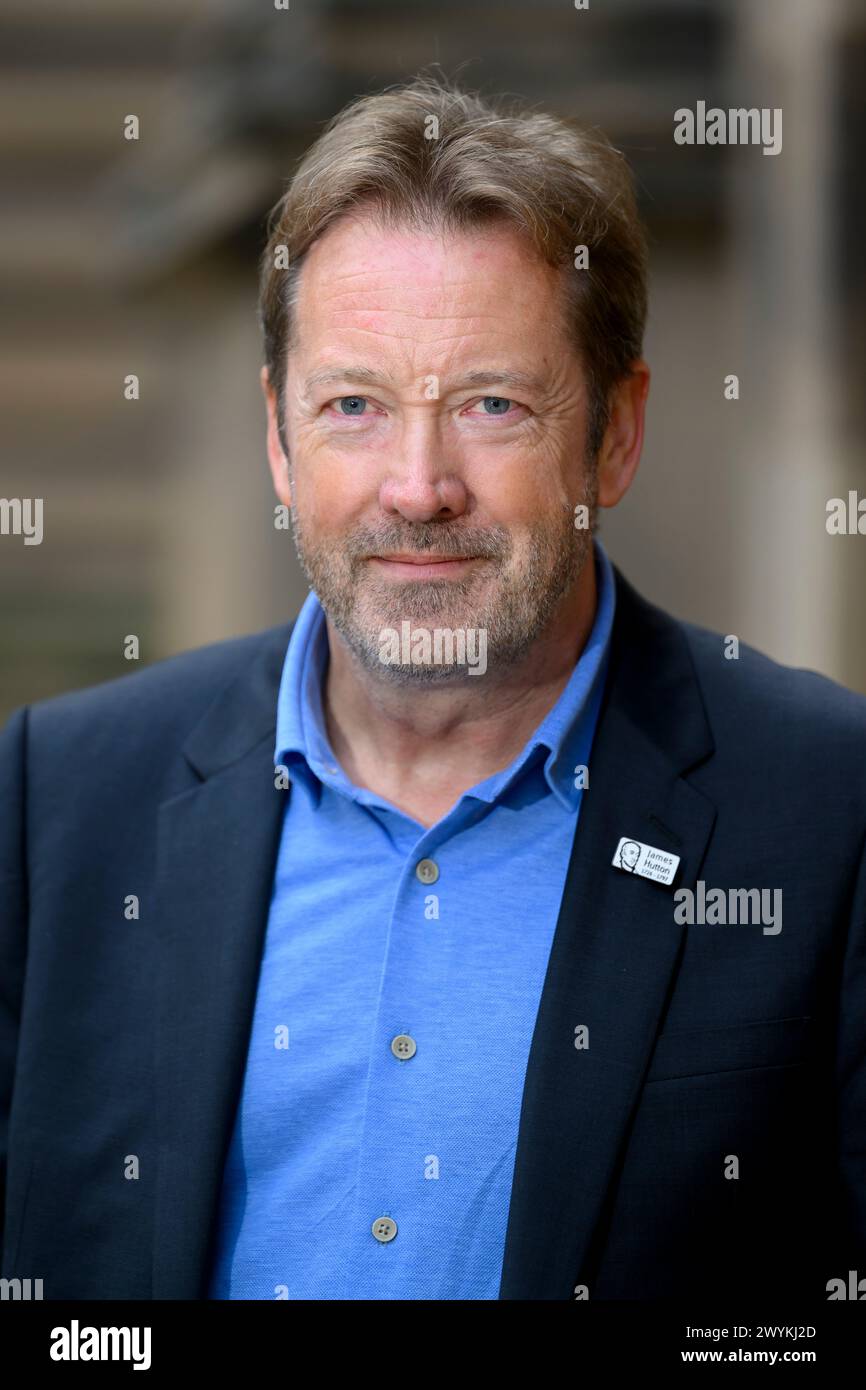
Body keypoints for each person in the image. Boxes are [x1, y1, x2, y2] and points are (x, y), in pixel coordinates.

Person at [1, 73, 864, 1302]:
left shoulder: (827, 810)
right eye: (352, 405)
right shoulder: (58, 800)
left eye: (490, 406)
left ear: (614, 436)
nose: (417, 485)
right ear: (276, 438)